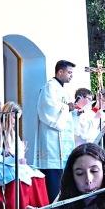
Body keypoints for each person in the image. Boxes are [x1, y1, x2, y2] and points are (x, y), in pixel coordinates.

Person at [32, 60, 77, 198]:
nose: (71, 76)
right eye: (69, 72)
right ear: (60, 72)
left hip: (62, 144)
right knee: (53, 181)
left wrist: (73, 110)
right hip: (52, 145)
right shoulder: (49, 87)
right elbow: (48, 110)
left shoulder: (62, 89)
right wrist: (67, 107)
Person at [0, 101, 50, 209]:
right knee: (21, 175)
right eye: (14, 117)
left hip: (14, 163)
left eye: (18, 118)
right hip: (3, 163)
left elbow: (18, 151)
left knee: (38, 174)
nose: (15, 121)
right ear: (7, 114)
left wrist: (21, 156)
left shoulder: (13, 133)